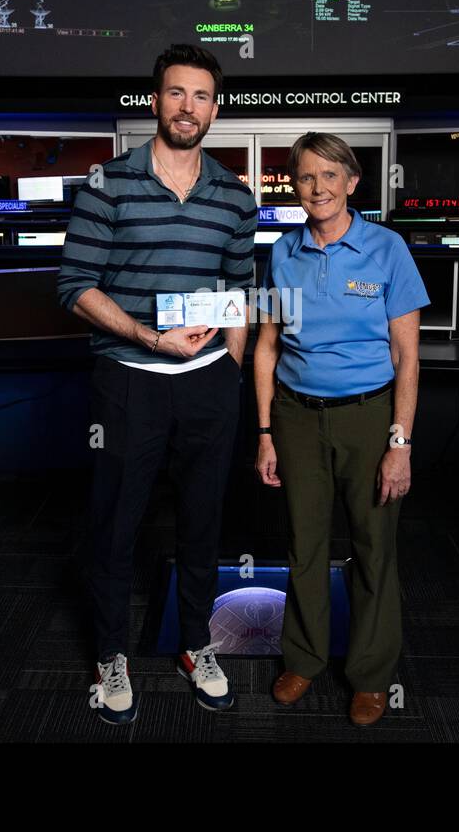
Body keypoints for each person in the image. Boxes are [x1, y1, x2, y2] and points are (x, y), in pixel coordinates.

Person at [57, 44, 257, 725]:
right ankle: (111, 653)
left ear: (215, 108)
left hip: (208, 385)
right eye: (176, 93)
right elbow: (74, 286)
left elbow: (240, 289)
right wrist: (146, 337)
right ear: (155, 100)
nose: (187, 107)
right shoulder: (107, 184)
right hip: (129, 379)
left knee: (202, 520)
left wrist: (230, 367)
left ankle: (196, 644)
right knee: (116, 523)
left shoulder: (234, 196)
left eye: (201, 96)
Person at [253, 132, 428, 727]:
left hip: (369, 417)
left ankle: (371, 676)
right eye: (305, 177)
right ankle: (303, 660)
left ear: (353, 183)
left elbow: (408, 356)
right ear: (294, 186)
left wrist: (398, 444)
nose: (317, 188)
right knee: (304, 547)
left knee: (373, 548)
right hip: (297, 417)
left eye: (330, 176)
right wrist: (265, 431)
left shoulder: (387, 249)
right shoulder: (283, 251)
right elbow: (267, 346)